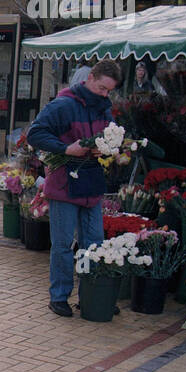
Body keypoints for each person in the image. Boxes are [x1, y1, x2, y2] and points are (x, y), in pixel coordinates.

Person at [27, 60, 123, 318]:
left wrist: (106, 148)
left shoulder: (104, 108)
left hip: (91, 184)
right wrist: (66, 148)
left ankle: (92, 295)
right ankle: (59, 297)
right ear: (90, 78)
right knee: (62, 245)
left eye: (108, 91)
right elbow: (35, 134)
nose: (105, 94)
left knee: (94, 243)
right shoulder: (63, 105)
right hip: (64, 184)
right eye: (102, 88)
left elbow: (109, 135)